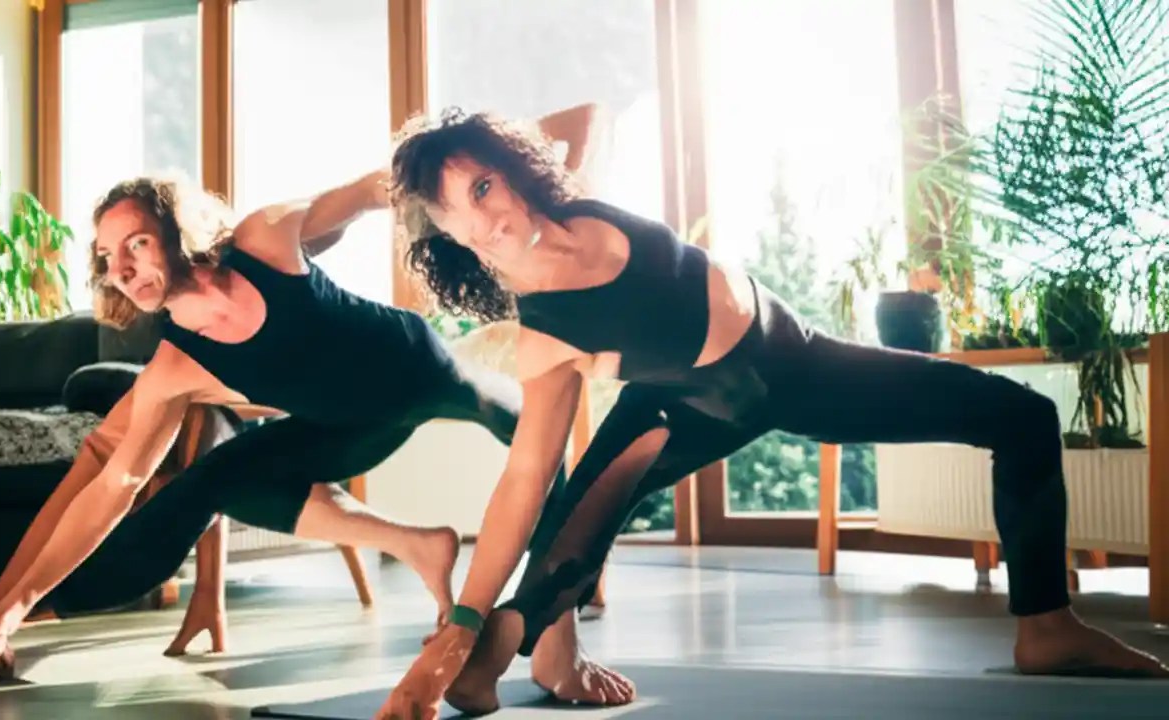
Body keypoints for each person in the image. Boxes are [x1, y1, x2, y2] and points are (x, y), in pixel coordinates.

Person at [373, 105, 1169, 719]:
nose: (487, 218)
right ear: (449, 239)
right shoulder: (546, 337)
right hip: (693, 404)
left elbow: (577, 122)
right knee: (573, 506)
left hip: (798, 365)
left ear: (512, 172)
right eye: (455, 213)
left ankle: (1047, 626)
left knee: (1023, 417)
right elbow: (522, 481)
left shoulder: (576, 204)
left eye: (483, 185)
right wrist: (462, 619)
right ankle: (508, 642)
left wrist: (473, 137)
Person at [0, 105, 594, 694]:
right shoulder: (175, 368)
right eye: (109, 257)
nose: (124, 267)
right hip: (345, 426)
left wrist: (486, 186)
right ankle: (421, 546)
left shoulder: (265, 239)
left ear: (173, 232)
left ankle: (553, 622)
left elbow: (372, 190)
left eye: (136, 242)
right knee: (220, 478)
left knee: (538, 438)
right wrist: (0, 618)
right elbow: (113, 485)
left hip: (421, 368)